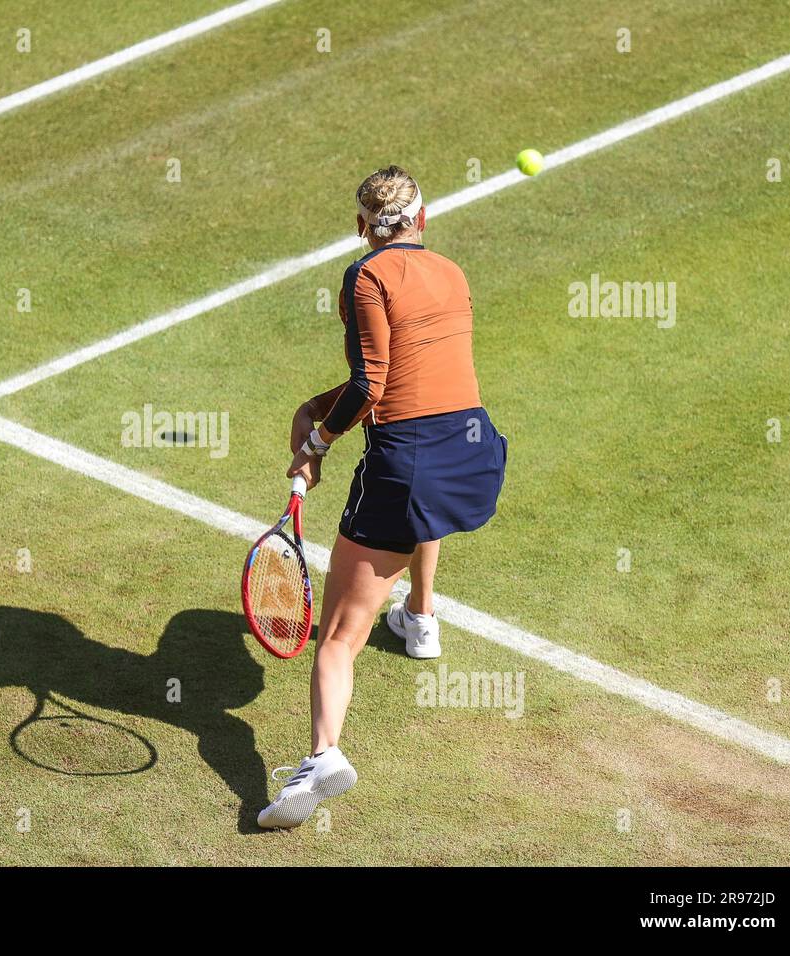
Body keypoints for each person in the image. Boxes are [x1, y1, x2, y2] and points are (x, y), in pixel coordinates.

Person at [257, 165, 507, 829]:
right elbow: (411, 375)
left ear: (361, 227)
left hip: (410, 465)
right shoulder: (451, 271)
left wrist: (315, 445)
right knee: (421, 511)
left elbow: (371, 383)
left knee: (339, 637)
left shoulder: (364, 276)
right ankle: (420, 618)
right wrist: (313, 408)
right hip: (474, 453)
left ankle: (323, 757)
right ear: (423, 219)